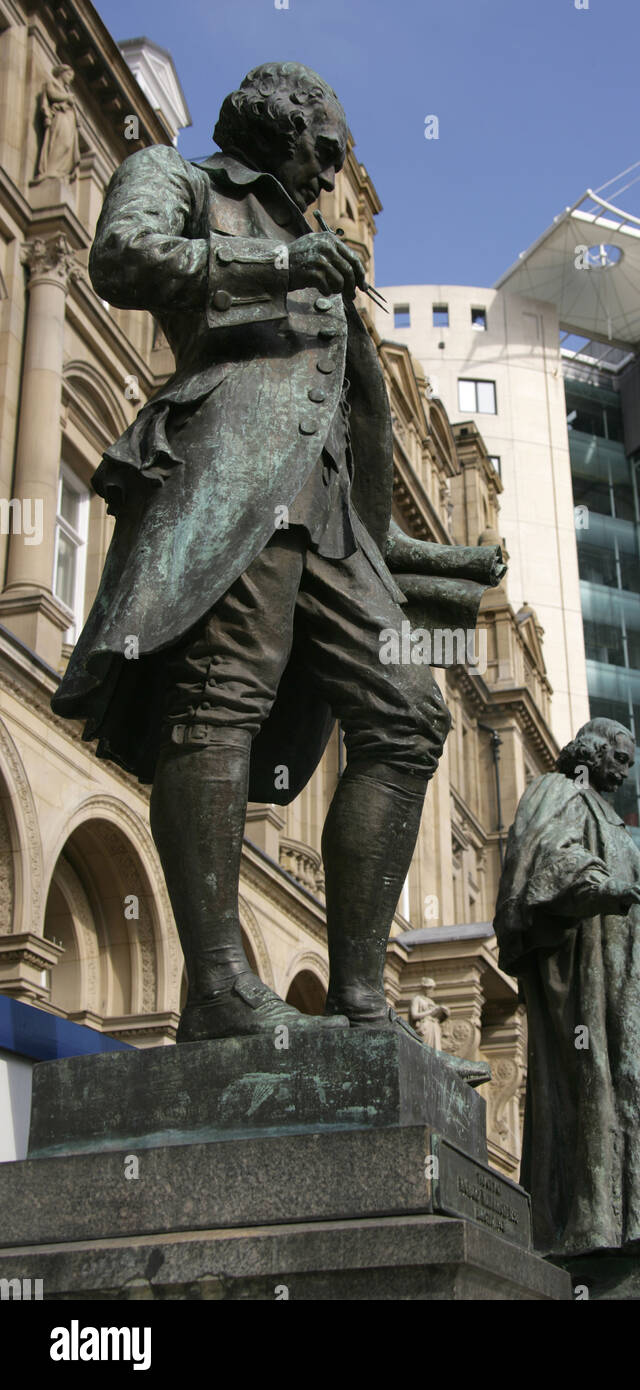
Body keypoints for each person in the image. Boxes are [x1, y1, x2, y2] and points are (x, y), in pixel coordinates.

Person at [52, 62, 502, 1065]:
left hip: (330, 520)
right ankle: (215, 987)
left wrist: (424, 555)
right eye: (328, 142)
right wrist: (277, 268)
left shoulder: (323, 255)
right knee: (218, 705)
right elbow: (122, 258)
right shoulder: (181, 178)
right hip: (227, 478)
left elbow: (352, 430)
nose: (335, 166)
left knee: (408, 715)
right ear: (275, 122)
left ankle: (357, 1002)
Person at [492, 717, 640, 1258]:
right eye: (621, 760)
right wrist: (611, 889)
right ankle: (590, 1222)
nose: (626, 774)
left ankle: (637, 1213)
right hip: (585, 964)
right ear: (591, 751)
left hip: (627, 969)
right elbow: (547, 862)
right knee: (597, 1079)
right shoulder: (558, 790)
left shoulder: (611, 817)